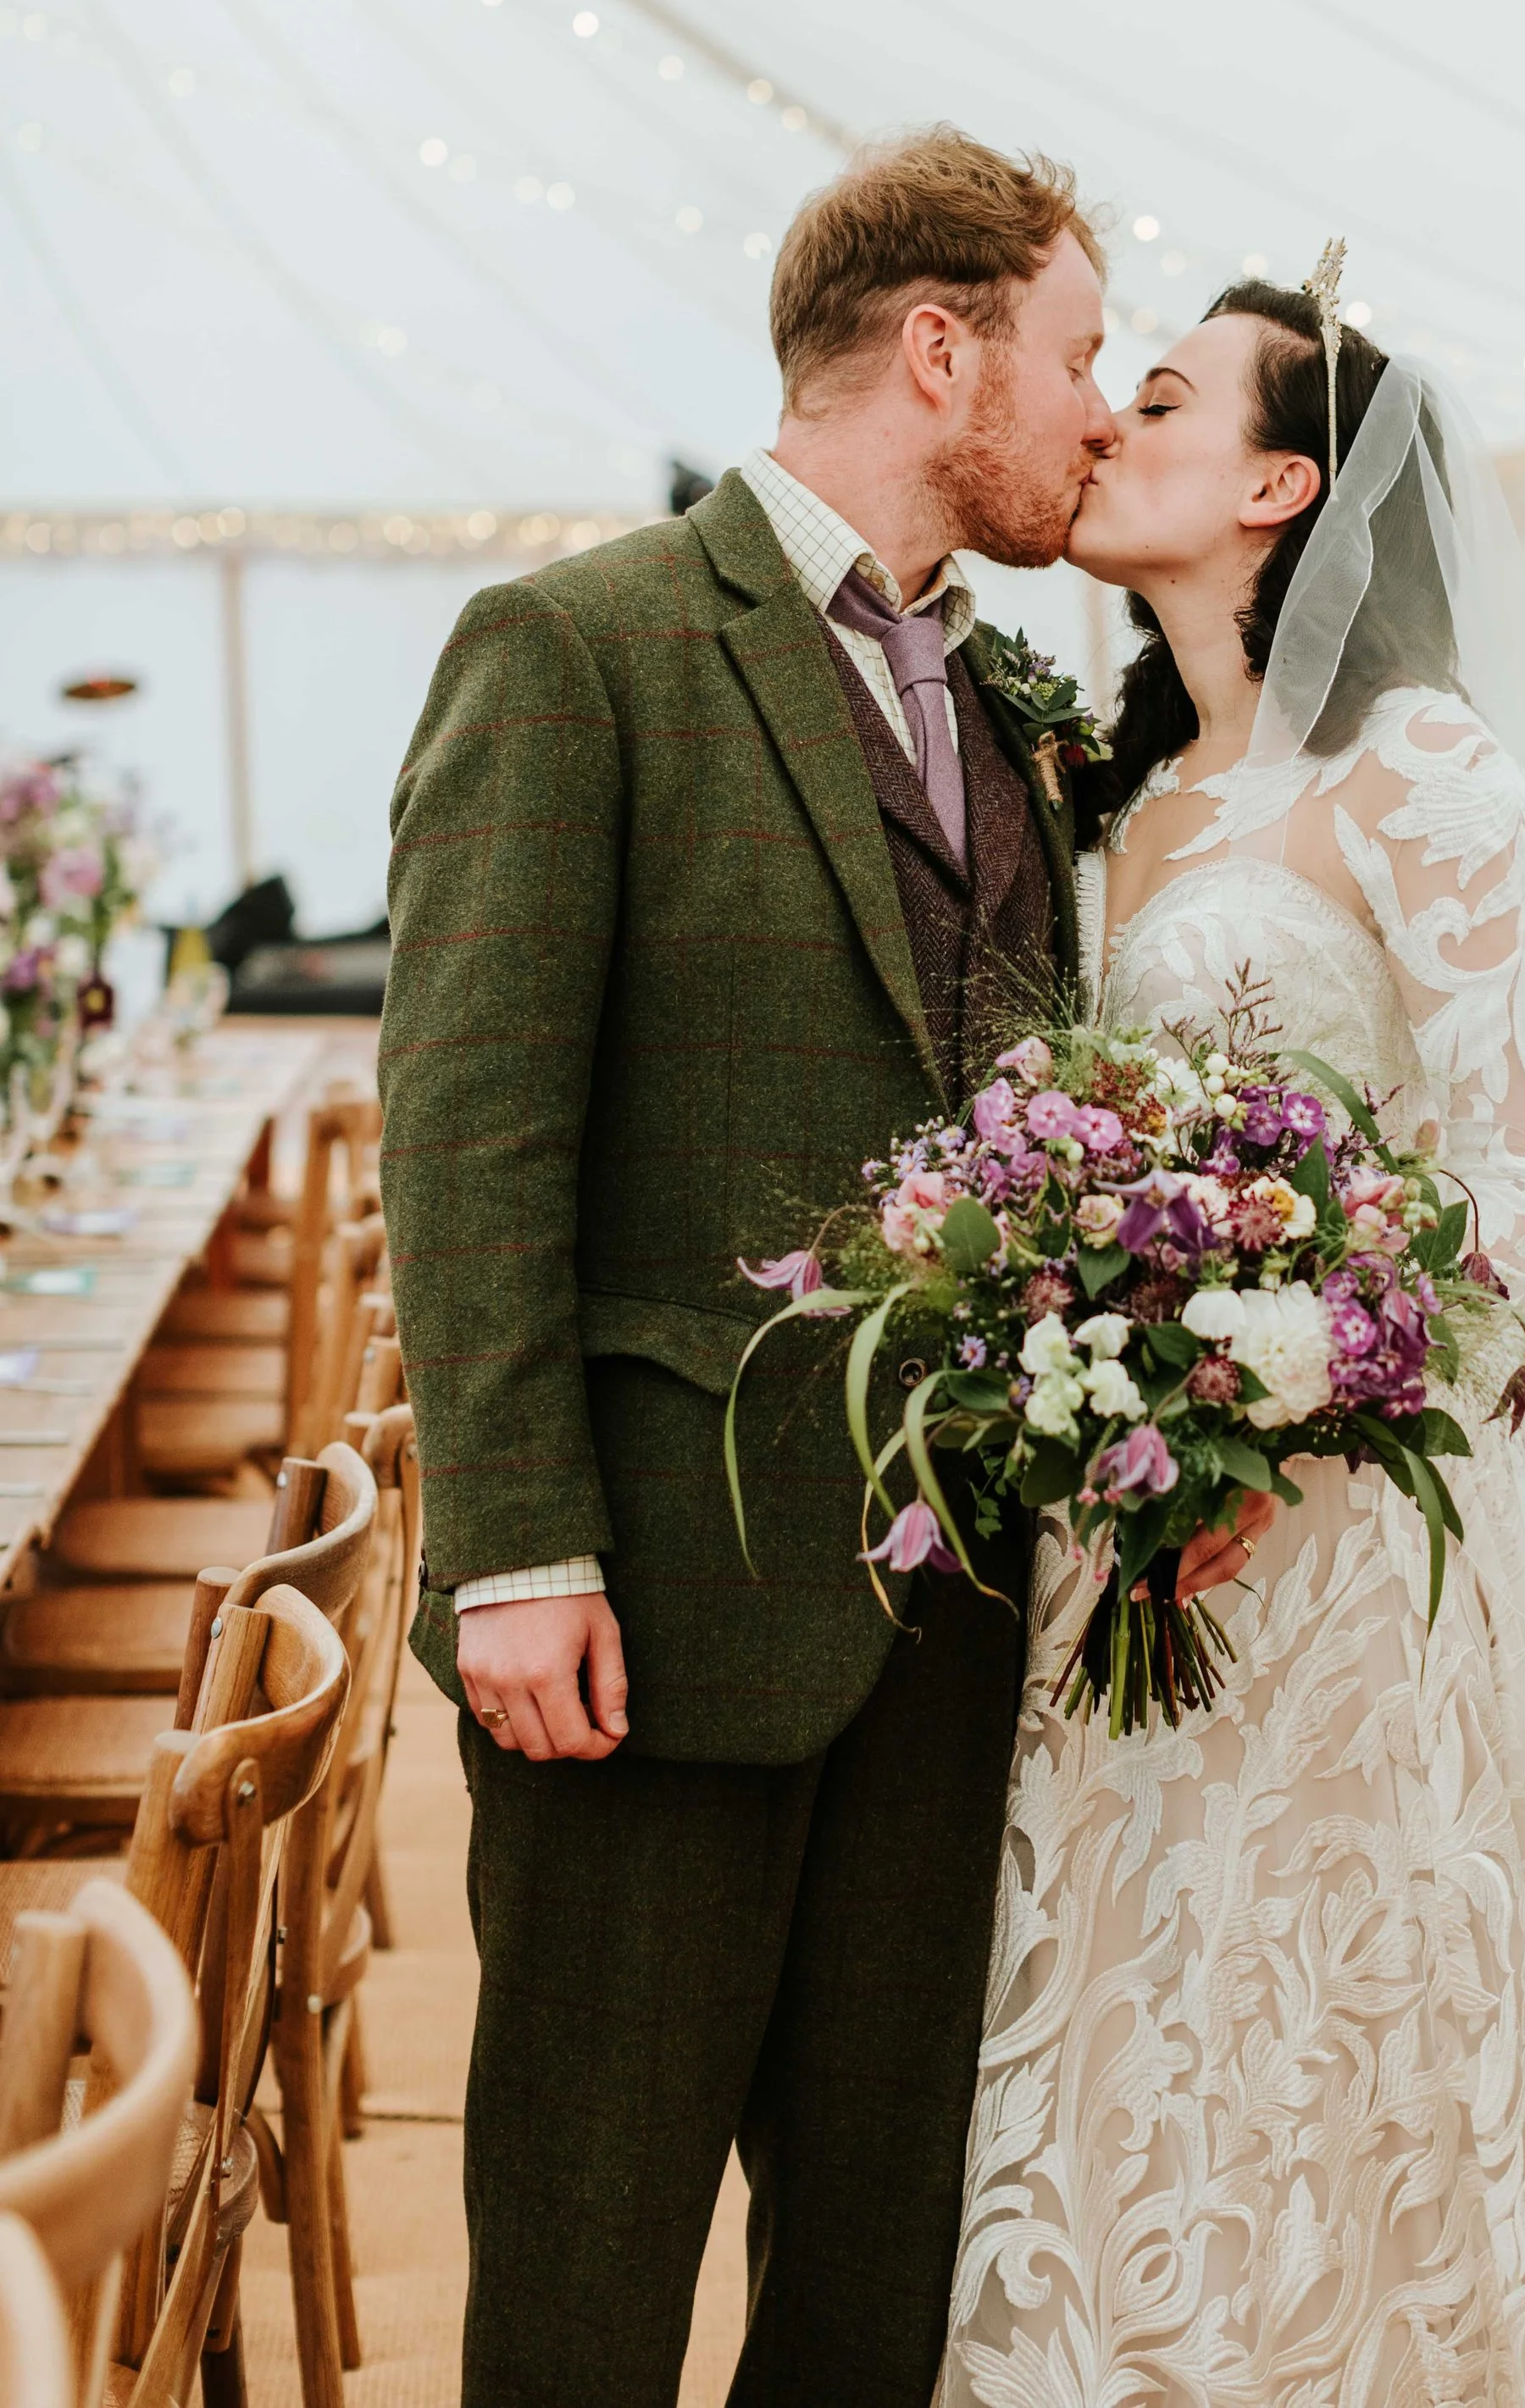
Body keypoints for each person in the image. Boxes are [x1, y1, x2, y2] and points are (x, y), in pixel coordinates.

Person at [940, 281, 1525, 2408]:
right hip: (1124, 1525)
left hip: (1339, 1564)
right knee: (1127, 2021)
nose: (1109, 427)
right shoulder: (1115, 791)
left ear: (1282, 486)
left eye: (1163, 395)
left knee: (1322, 2039)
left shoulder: (1423, 778)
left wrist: (1290, 1430)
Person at [377, 127, 1115, 2408]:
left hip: (945, 1607)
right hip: (654, 1607)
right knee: (590, 2262)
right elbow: (470, 1123)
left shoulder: (1004, 703)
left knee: (872, 2266)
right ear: (935, 346)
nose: (1100, 410)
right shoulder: (581, 640)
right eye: (1078, 357)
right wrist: (514, 1542)